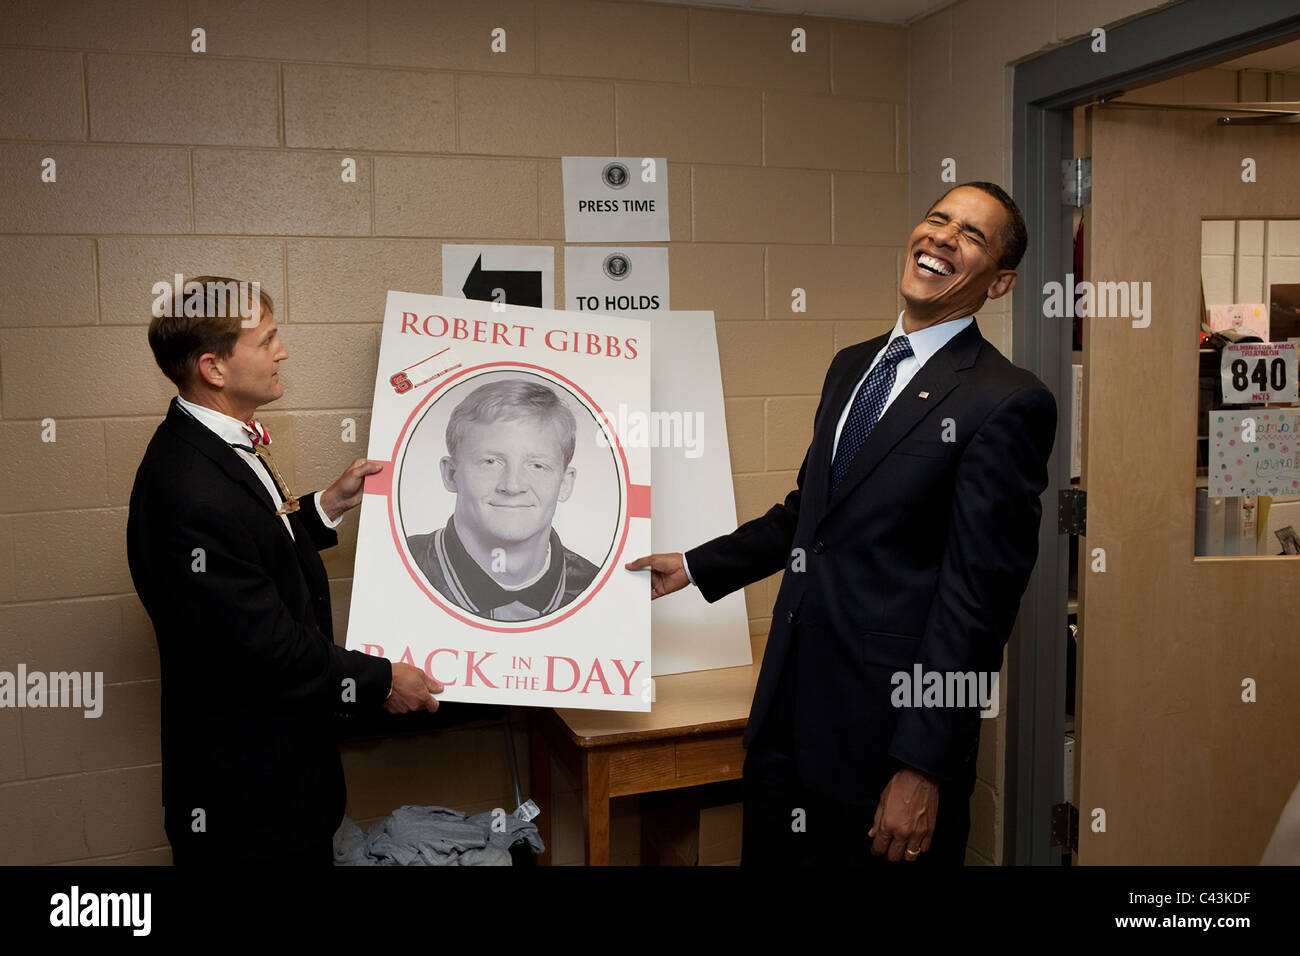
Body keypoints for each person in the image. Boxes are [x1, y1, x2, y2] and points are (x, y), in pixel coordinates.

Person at [627, 183, 1057, 866]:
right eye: (938, 218)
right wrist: (695, 565)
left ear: (999, 284)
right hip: (787, 724)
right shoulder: (852, 366)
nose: (944, 236)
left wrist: (922, 768)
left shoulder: (1006, 401)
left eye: (972, 235)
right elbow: (810, 516)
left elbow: (979, 606)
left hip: (885, 747)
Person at [127, 276, 443, 867]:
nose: (283, 351)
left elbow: (253, 543)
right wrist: (382, 680)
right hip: (247, 800)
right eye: (268, 339)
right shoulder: (190, 488)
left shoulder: (213, 444)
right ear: (213, 368)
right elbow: (265, 645)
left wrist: (327, 505)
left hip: (276, 780)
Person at [406, 378, 599, 622]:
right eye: (491, 462)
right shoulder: (396, 565)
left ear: (564, 483)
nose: (512, 485)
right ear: (451, 474)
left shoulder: (602, 589)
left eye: (537, 465)